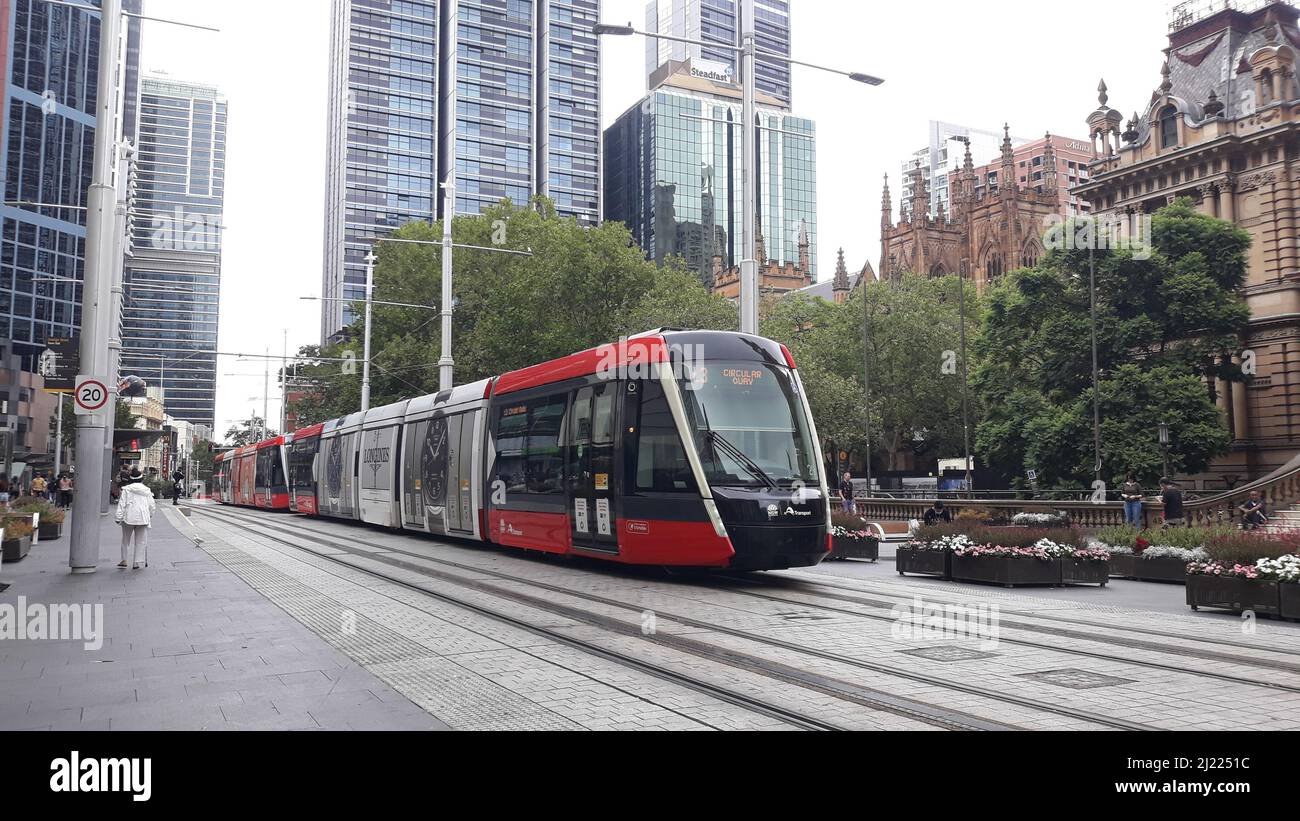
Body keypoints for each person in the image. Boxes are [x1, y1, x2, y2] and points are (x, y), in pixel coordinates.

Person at [114, 469, 156, 570]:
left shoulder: (126, 490)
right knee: (140, 541)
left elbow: (122, 504)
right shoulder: (146, 490)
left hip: (128, 517)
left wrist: (118, 517)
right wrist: (150, 515)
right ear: (141, 479)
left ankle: (124, 560)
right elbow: (152, 505)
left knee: (125, 540)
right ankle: (136, 562)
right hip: (143, 518)